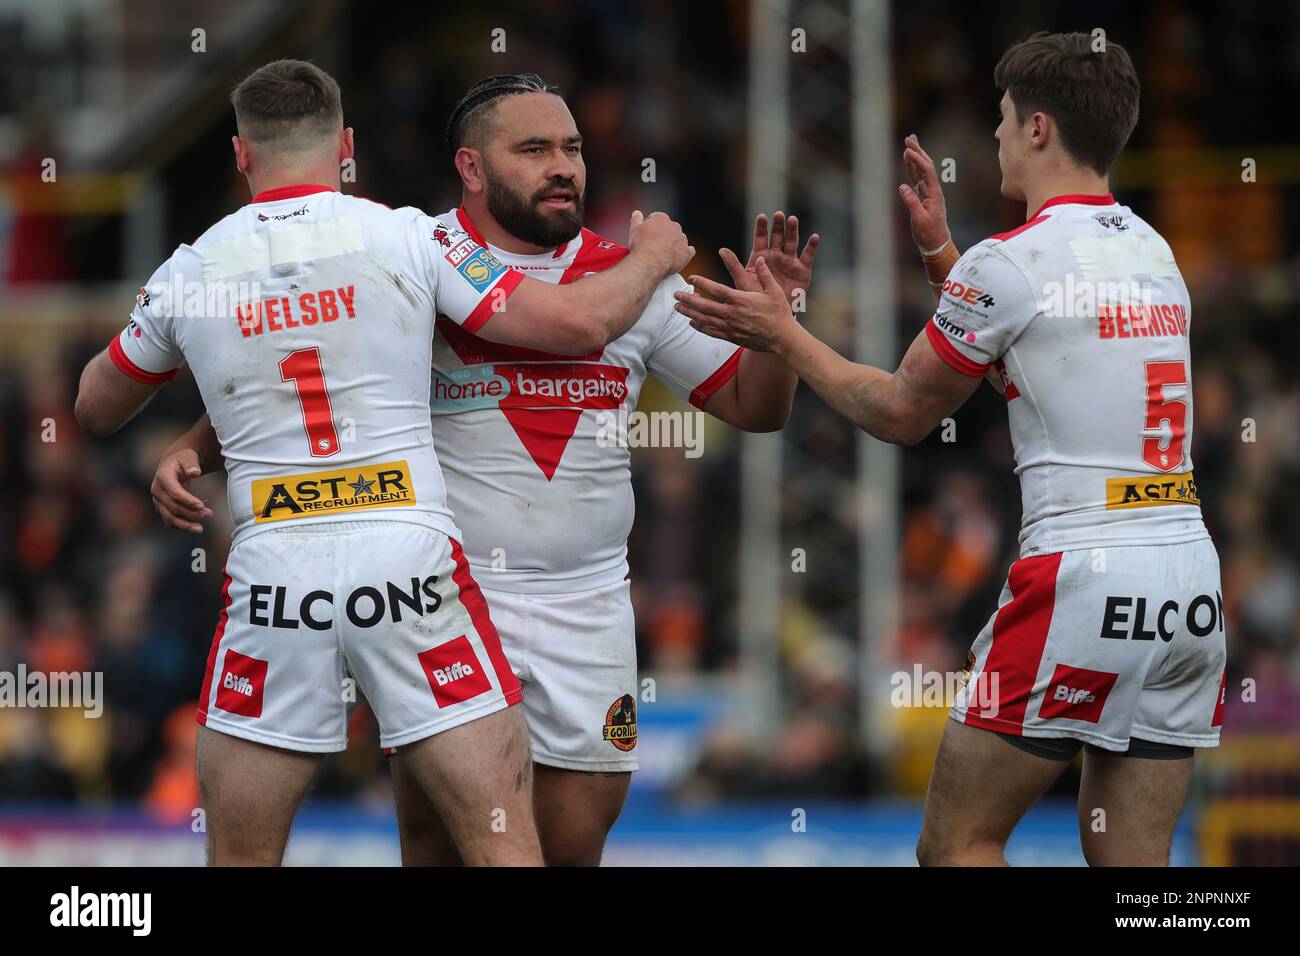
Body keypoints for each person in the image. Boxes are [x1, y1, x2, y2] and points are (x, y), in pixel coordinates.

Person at [150, 72, 817, 866]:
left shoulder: (633, 275)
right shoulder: (409, 254)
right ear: (471, 167)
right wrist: (198, 444)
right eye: (533, 149)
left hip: (588, 606)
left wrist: (779, 327)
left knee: (566, 851)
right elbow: (296, 367)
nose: (563, 166)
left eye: (570, 148)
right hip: (447, 599)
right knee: (438, 849)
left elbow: (756, 406)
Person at [675, 32, 1226, 866]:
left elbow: (900, 411)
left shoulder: (1011, 261)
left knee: (958, 844)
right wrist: (943, 256)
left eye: (1003, 119)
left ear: (1038, 130)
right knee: (1137, 864)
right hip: (1188, 584)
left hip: (1081, 577)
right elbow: (1040, 369)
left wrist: (783, 334)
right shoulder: (1155, 252)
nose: (996, 136)